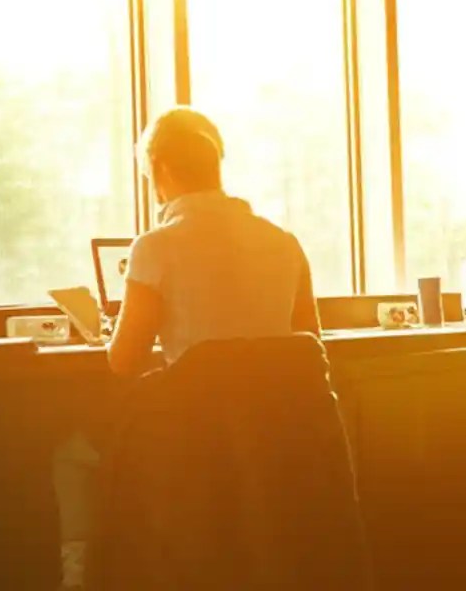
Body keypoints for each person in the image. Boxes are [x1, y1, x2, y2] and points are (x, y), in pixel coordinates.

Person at [55, 107, 320, 588]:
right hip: (279, 442)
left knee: (71, 455)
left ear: (161, 170)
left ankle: (86, 579)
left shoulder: (156, 247)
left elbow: (124, 360)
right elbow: (310, 346)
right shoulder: (285, 243)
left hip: (196, 443)